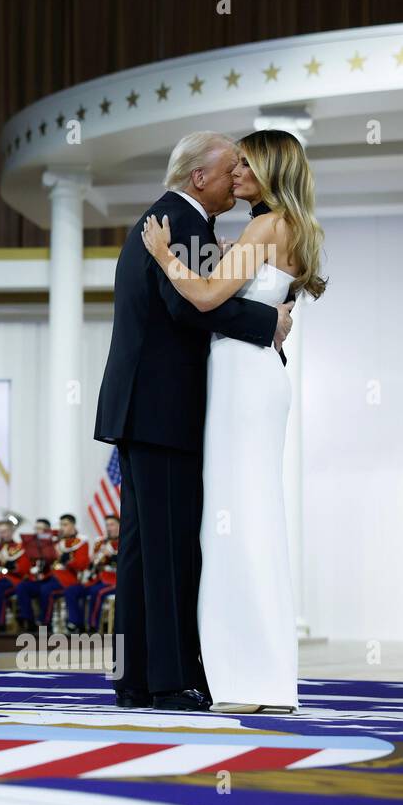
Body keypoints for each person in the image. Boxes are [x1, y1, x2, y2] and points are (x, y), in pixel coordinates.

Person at [93, 130, 295, 712]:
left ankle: (135, 681)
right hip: (162, 412)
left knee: (141, 550)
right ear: (197, 178)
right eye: (229, 166)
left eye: (244, 167)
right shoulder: (176, 224)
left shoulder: (181, 222)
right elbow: (190, 303)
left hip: (146, 410)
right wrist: (268, 324)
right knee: (169, 547)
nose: (236, 176)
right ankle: (171, 680)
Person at [140, 129, 325, 713]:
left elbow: (204, 297)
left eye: (246, 164)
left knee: (234, 521)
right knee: (252, 515)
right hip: (259, 375)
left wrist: (165, 254)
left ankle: (246, 675)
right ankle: (262, 674)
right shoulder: (291, 228)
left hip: (243, 382)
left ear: (270, 170)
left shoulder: (264, 227)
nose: (236, 173)